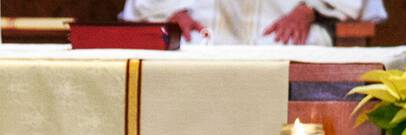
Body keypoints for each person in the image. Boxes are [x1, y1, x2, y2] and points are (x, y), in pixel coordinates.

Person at [119, 0, 387, 47]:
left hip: (282, 35)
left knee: (287, 48)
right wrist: (174, 11)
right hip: (201, 35)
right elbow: (143, 6)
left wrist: (308, 9)